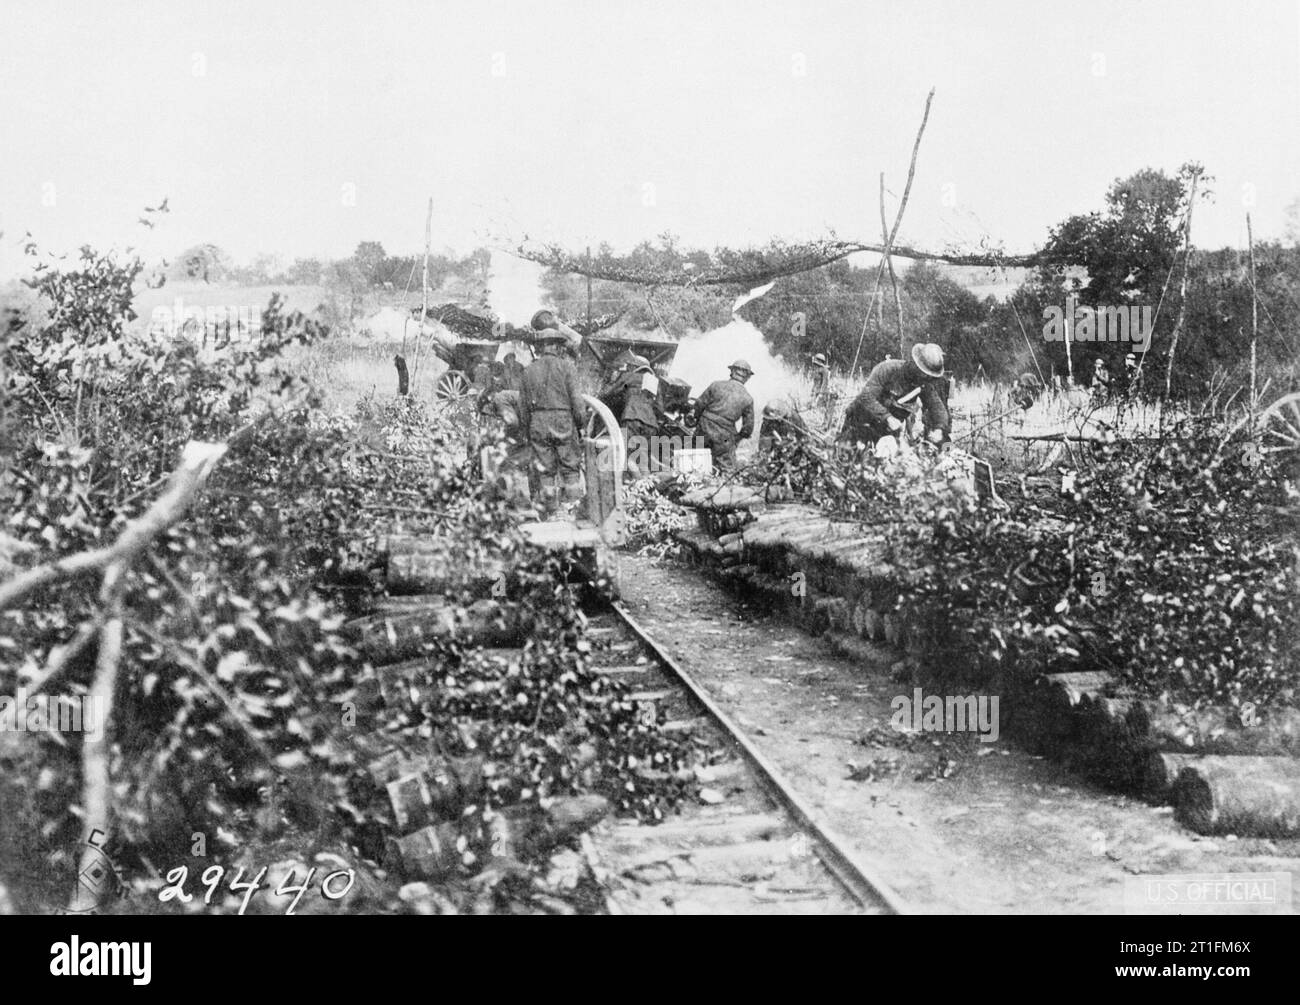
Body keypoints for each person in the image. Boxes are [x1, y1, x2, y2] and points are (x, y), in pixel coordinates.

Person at [517, 328, 587, 514]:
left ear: (540, 347)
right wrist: (581, 425)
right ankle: (573, 510)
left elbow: (522, 406)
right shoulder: (567, 368)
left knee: (545, 470)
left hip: (538, 422)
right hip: (563, 420)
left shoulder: (528, 371)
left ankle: (552, 513)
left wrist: (527, 429)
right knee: (570, 467)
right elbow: (577, 402)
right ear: (557, 346)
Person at [839, 343, 950, 451]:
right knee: (849, 454)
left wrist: (939, 429)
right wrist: (887, 417)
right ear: (915, 365)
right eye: (924, 373)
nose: (926, 378)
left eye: (928, 376)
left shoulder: (923, 383)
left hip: (884, 430)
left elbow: (938, 408)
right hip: (860, 422)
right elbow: (866, 396)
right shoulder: (888, 369)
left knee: (884, 457)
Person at [599, 355, 662, 474]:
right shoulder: (654, 383)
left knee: (629, 458)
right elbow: (660, 409)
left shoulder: (629, 376)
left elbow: (608, 394)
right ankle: (646, 483)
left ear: (634, 366)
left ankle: (637, 482)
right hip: (651, 425)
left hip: (632, 420)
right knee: (642, 459)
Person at [692, 359, 755, 472]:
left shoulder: (716, 385)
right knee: (727, 469)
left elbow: (699, 405)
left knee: (693, 461)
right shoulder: (748, 398)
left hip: (704, 428)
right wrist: (736, 439)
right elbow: (748, 429)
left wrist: (698, 421)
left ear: (732, 372)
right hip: (724, 436)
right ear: (747, 378)